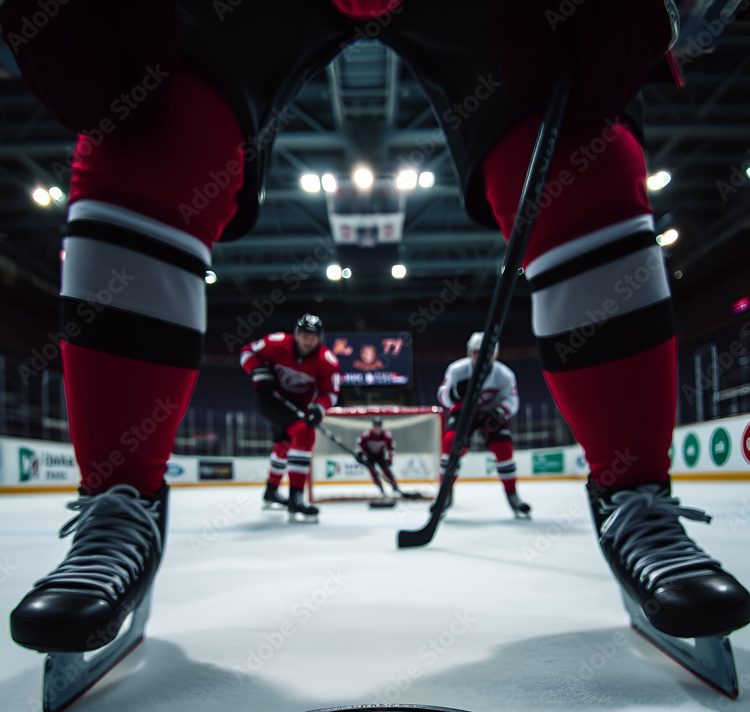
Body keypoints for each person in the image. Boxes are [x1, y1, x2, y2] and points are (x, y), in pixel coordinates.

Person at [5, 0, 747, 669]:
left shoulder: (331, 365)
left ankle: (635, 498)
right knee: (151, 142)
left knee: (579, 164)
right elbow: (259, 366)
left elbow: (339, 402)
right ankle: (119, 506)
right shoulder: (282, 355)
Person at [240, 313, 340, 521]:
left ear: (319, 338)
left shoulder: (327, 360)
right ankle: (296, 498)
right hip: (270, 398)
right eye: (304, 335)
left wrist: (319, 408)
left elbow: (329, 393)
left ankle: (271, 491)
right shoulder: (277, 343)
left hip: (297, 406)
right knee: (304, 433)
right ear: (296, 333)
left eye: (312, 336)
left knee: (285, 444)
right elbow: (247, 351)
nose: (307, 340)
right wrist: (257, 371)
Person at [436, 333, 531, 519]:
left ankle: (513, 495)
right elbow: (442, 396)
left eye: (486, 353)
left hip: (491, 415)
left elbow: (512, 401)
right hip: (464, 413)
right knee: (450, 445)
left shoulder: (504, 374)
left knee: (504, 448)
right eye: (476, 352)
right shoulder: (457, 370)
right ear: (469, 353)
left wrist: (501, 412)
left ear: (495, 354)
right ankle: (445, 494)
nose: (480, 357)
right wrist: (454, 393)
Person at [355, 417, 400, 493]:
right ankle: (380, 488)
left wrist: (390, 459)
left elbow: (391, 449)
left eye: (379, 427)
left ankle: (394, 486)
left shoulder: (387, 436)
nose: (377, 429)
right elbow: (359, 445)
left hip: (380, 456)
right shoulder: (366, 435)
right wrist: (359, 452)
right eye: (376, 426)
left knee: (387, 471)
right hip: (369, 456)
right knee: (373, 472)